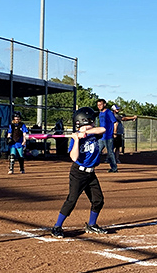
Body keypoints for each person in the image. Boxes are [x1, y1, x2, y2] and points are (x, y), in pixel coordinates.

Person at [50, 107, 109, 238]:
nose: (94, 123)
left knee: (98, 200)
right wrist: (77, 139)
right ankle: (57, 226)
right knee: (71, 200)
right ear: (83, 121)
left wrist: (87, 131)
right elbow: (74, 158)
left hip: (91, 174)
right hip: (78, 173)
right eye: (91, 121)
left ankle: (91, 225)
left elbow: (103, 129)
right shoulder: (75, 138)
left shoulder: (93, 132)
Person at [96, 98, 118, 173]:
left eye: (100, 104)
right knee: (96, 151)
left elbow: (115, 123)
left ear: (104, 104)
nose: (99, 106)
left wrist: (114, 133)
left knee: (110, 152)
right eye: (98, 105)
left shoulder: (108, 112)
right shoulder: (100, 113)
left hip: (108, 136)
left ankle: (114, 168)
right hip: (101, 136)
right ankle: (91, 166)